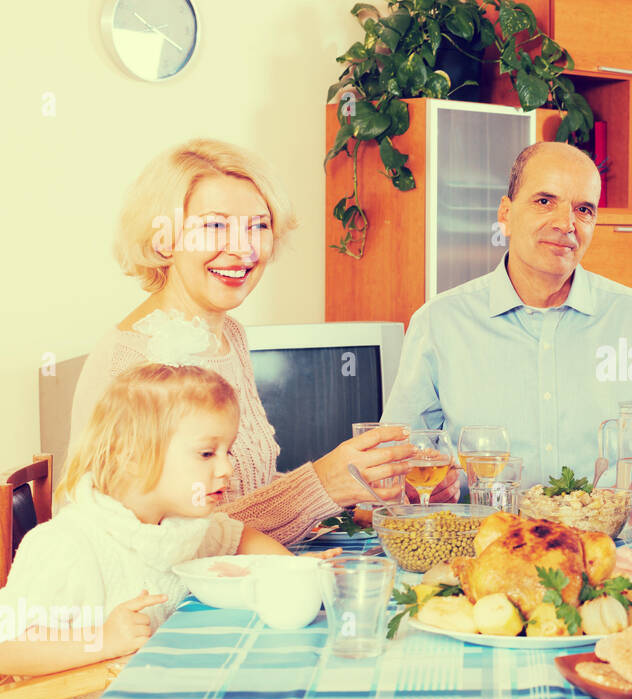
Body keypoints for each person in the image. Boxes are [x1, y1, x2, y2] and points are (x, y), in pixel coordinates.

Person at [70, 139, 417, 546]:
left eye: (258, 225)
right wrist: (319, 485)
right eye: (214, 226)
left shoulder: (229, 334)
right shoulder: (132, 360)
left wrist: (354, 493)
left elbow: (243, 495)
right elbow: (144, 542)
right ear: (164, 238)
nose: (242, 248)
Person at [0, 364, 309, 699]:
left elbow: (240, 537)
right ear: (132, 456)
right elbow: (8, 647)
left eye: (228, 450)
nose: (227, 467)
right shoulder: (65, 545)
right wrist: (102, 640)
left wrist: (297, 572)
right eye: (208, 453)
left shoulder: (178, 525)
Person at [381, 141, 632, 492]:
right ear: (505, 213)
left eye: (583, 209)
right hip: (486, 539)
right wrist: (424, 486)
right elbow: (396, 457)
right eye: (544, 202)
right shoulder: (438, 323)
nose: (566, 224)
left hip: (611, 541)